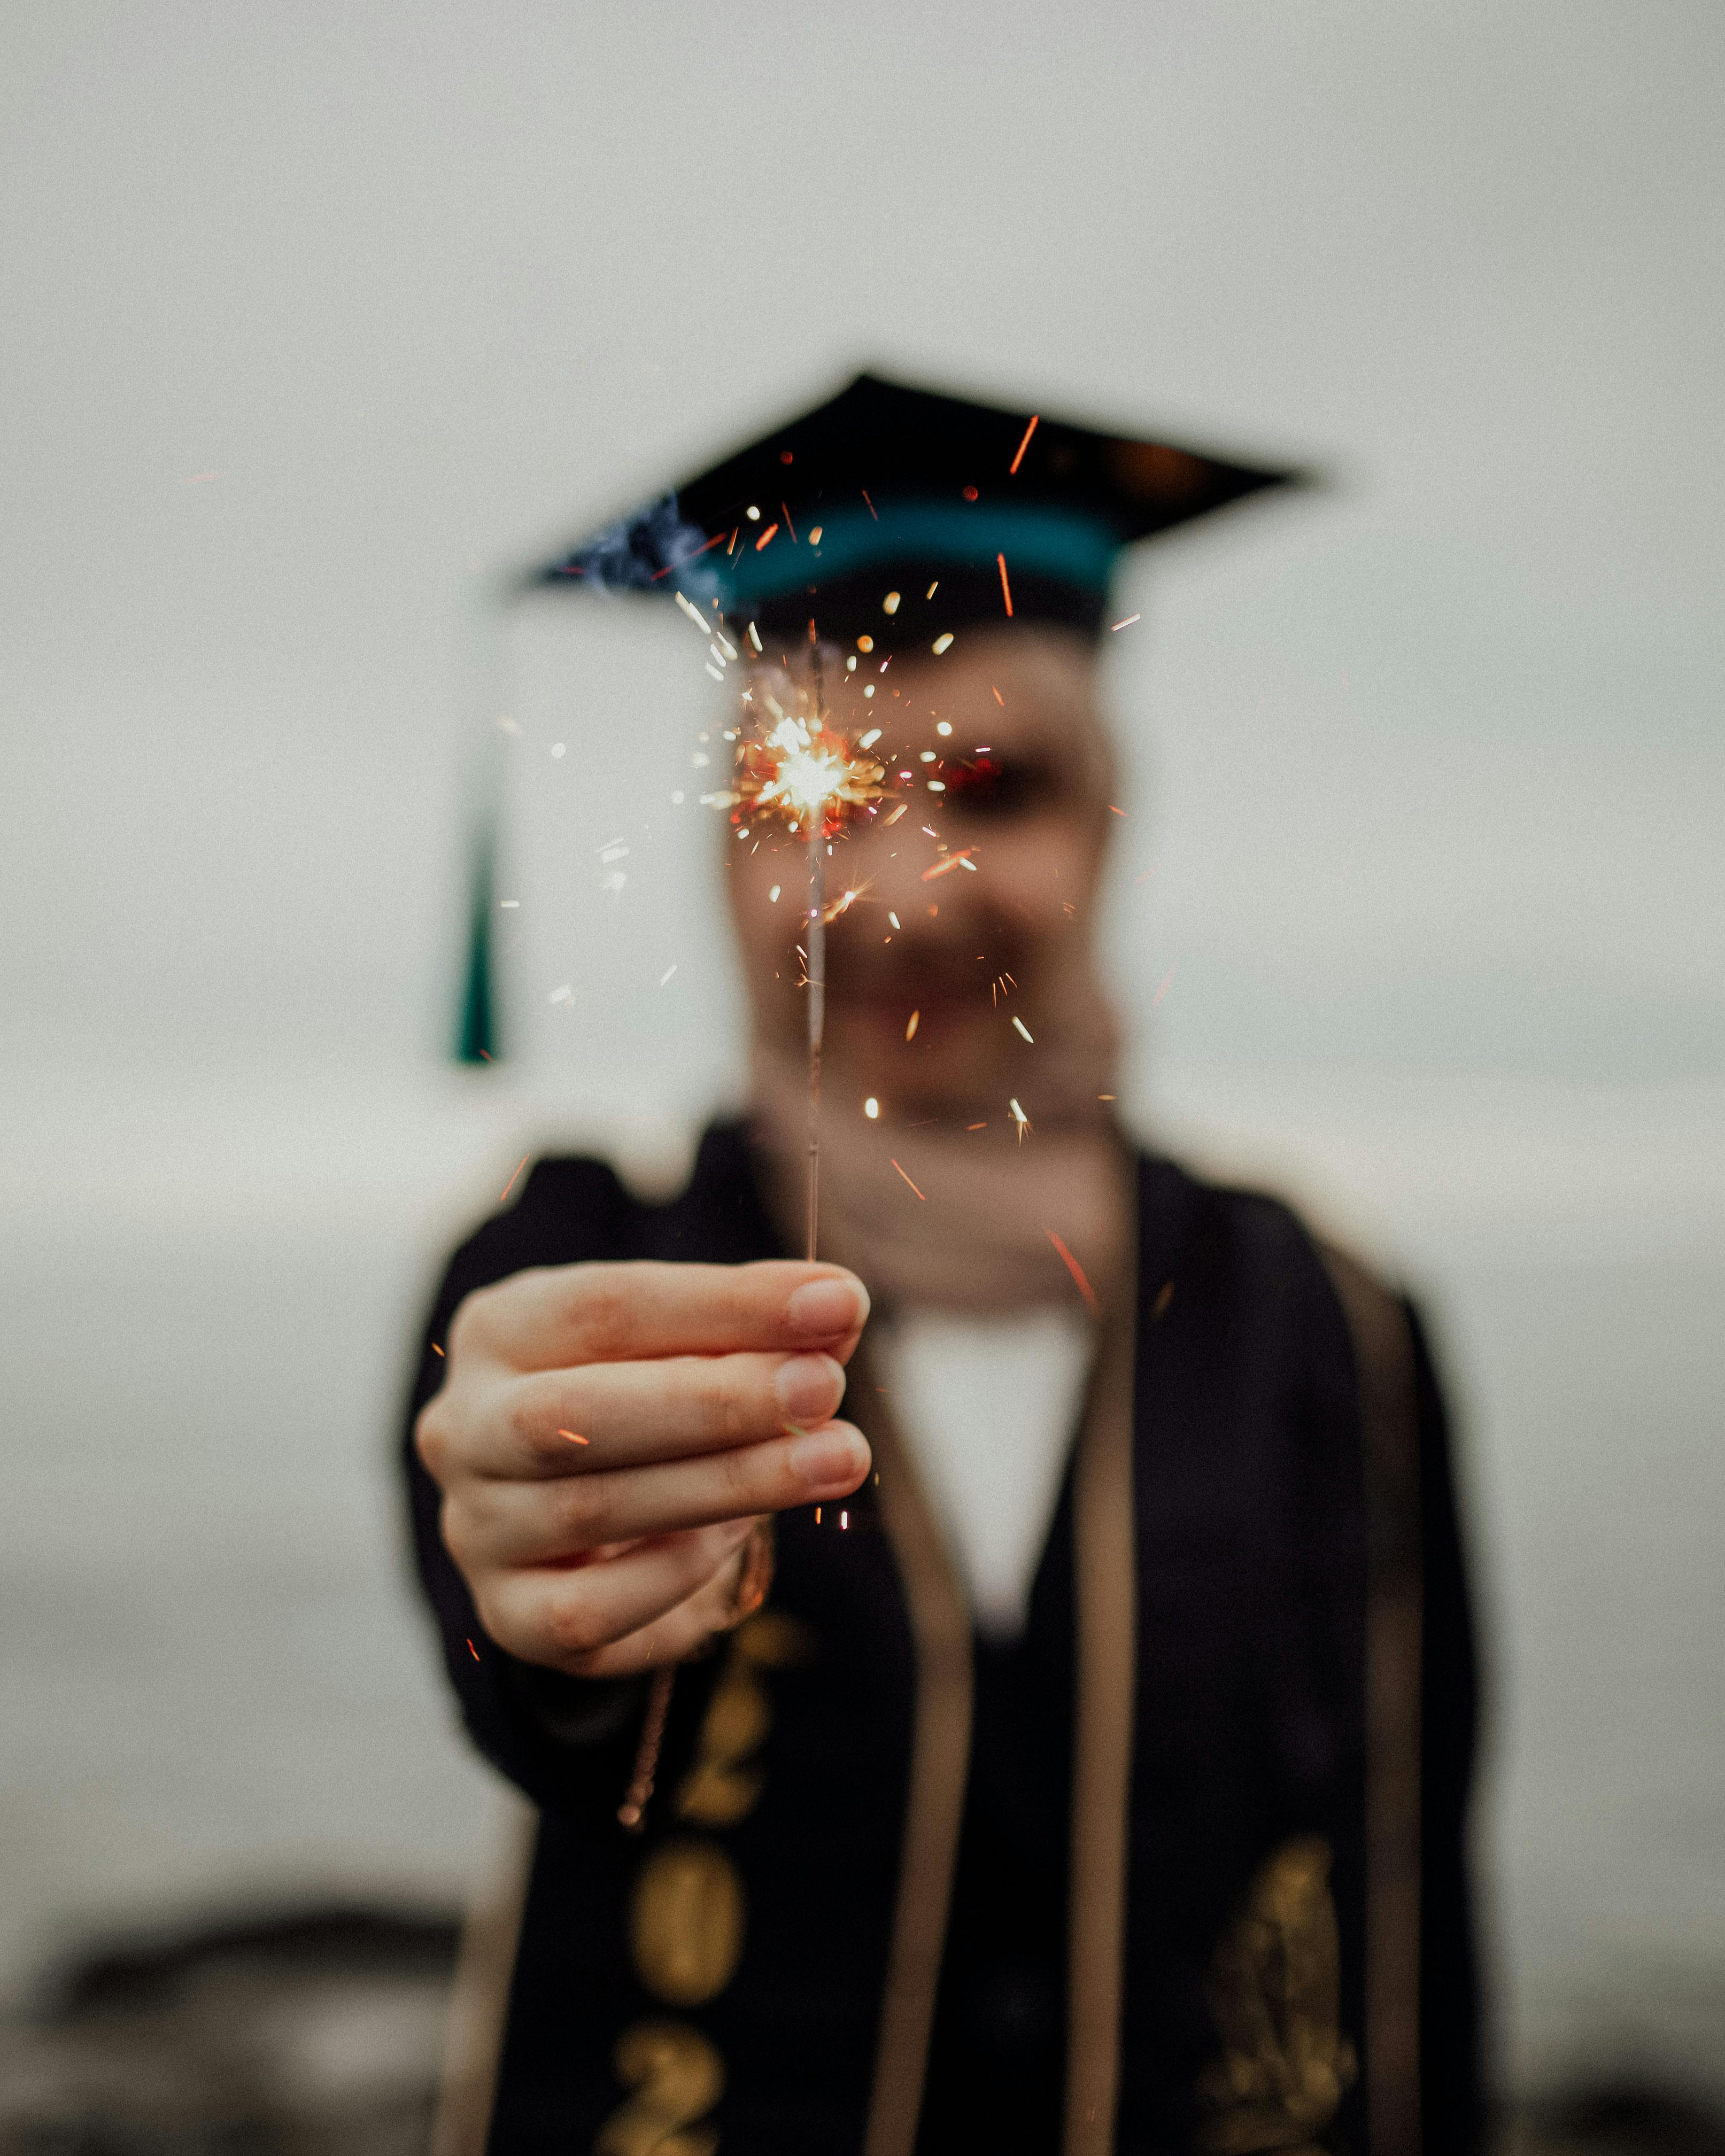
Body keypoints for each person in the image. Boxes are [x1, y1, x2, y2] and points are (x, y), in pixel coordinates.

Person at [405, 375, 1484, 2155]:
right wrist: (536, 1590)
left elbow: (1415, 1883)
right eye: (807, 800)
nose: (900, 885)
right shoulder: (573, 1260)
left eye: (996, 784)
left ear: (1113, 819)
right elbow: (504, 1607)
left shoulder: (1334, 1323)